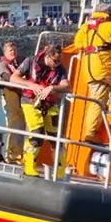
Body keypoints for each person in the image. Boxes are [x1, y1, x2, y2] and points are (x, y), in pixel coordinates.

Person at [73, 2, 111, 143]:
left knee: (97, 98)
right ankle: (109, 113)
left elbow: (78, 43)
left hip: (88, 69)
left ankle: (96, 126)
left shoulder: (85, 26)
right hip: (105, 68)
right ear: (110, 13)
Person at [11, 46, 71, 177]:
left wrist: (52, 87)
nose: (57, 64)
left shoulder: (60, 69)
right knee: (36, 132)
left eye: (59, 61)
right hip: (30, 101)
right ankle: (29, 165)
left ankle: (60, 169)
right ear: (47, 56)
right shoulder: (30, 61)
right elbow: (14, 78)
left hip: (50, 103)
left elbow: (66, 85)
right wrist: (31, 85)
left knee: (56, 136)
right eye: (55, 61)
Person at [0, 41, 27, 163]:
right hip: (9, 96)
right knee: (14, 123)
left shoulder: (20, 63)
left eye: (14, 50)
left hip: (20, 96)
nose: (13, 52)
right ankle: (12, 154)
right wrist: (21, 79)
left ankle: (19, 153)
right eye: (10, 50)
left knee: (22, 124)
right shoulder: (2, 65)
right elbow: (7, 77)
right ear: (5, 53)